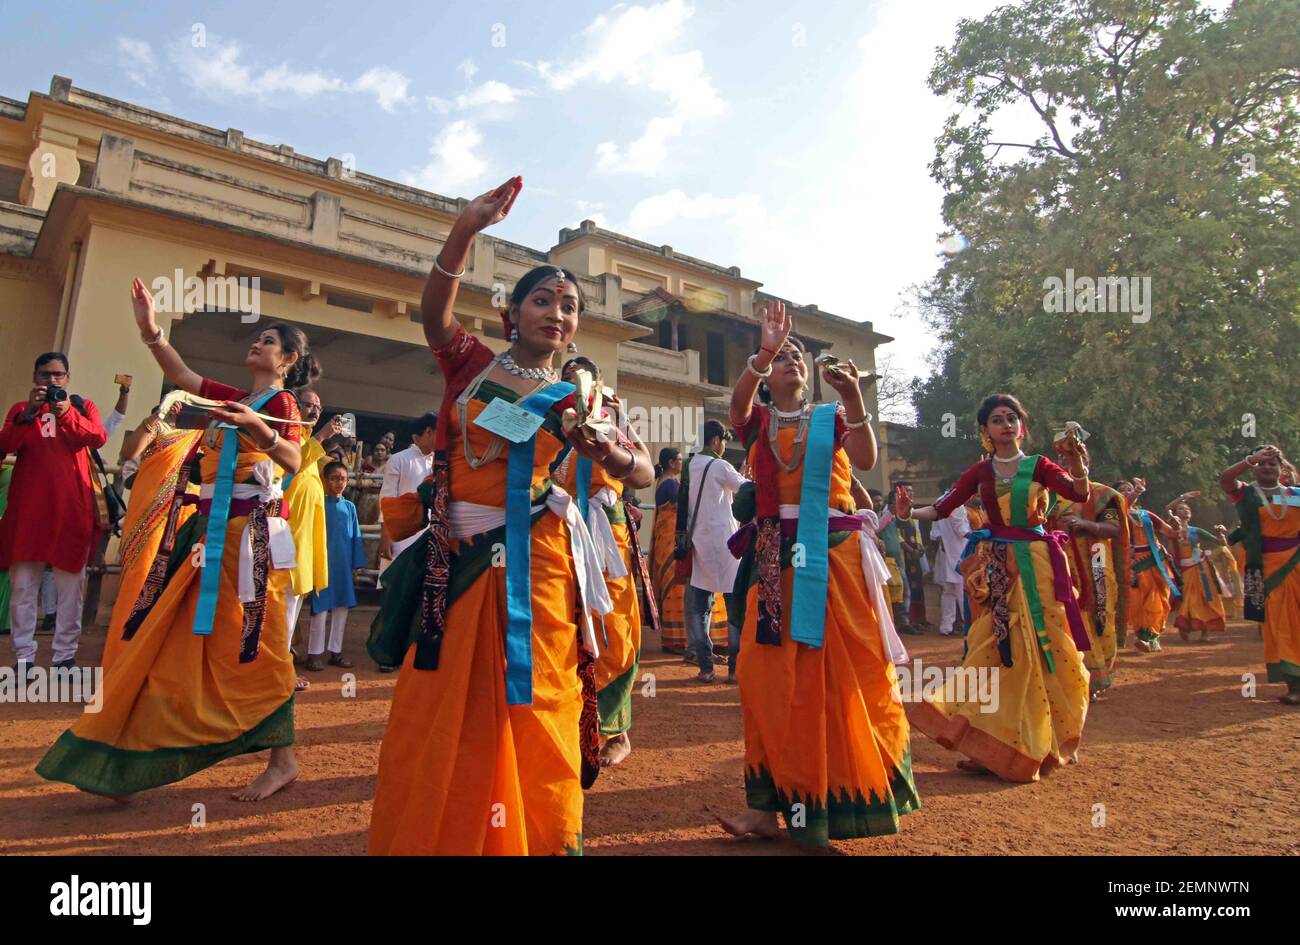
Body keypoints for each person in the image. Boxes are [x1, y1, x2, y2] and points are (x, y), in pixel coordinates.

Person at [367, 176, 653, 855]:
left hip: (544, 569)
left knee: (541, 707)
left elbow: (638, 471)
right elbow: (433, 315)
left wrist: (603, 447)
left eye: (570, 305)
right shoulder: (469, 366)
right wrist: (465, 229)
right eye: (543, 299)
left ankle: (537, 839)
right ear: (513, 312)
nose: (557, 311)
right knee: (444, 715)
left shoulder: (587, 395)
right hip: (459, 569)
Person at [36, 279, 317, 802]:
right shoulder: (242, 396)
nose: (257, 344)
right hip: (203, 534)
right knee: (169, 639)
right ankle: (133, 755)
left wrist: (258, 425)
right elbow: (182, 377)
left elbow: (294, 461)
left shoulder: (280, 403)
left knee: (261, 643)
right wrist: (150, 330)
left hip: (246, 539)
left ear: (288, 360)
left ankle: (283, 760)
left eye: (269, 341)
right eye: (256, 338)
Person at [715, 305, 915, 846]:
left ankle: (831, 801)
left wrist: (852, 399)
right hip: (774, 560)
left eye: (796, 356)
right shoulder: (755, 421)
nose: (790, 363)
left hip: (834, 559)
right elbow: (735, 403)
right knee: (765, 676)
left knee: (842, 676)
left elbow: (869, 459)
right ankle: (766, 806)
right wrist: (762, 351)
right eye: (781, 359)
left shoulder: (830, 418)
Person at [906, 394, 1093, 781]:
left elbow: (1079, 493)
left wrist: (1077, 463)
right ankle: (989, 743)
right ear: (985, 431)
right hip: (996, 567)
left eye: (1012, 418)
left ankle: (1048, 740)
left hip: (1038, 566)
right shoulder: (980, 472)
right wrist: (908, 512)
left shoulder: (1039, 466)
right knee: (994, 649)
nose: (1006, 424)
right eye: (997, 419)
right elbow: (942, 508)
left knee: (1047, 646)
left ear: (1021, 426)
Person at [552, 356, 649, 765]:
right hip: (559, 526)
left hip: (607, 532)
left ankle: (617, 733)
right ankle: (569, 726)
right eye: (569, 371)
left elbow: (640, 471)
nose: (576, 377)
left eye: (584, 371)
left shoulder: (611, 412)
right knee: (566, 624)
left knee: (614, 628)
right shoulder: (550, 410)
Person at [0, 352, 107, 674]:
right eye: (46, 375)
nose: (52, 380)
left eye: (58, 374)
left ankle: (64, 656)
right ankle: (23, 656)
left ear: (68, 377)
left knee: (70, 587)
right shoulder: (21, 410)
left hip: (71, 510)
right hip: (28, 512)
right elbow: (4, 445)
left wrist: (66, 414)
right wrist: (29, 414)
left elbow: (96, 438)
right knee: (22, 587)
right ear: (35, 378)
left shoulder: (82, 406)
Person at [102, 400, 202, 671]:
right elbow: (129, 452)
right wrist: (155, 416)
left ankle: (159, 667)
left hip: (185, 519)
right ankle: (122, 662)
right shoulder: (158, 426)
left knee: (175, 584)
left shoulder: (203, 437)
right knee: (140, 578)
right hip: (149, 518)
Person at [1046, 438, 1129, 699]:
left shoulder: (1105, 494)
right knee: (1065, 619)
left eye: (1072, 458)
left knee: (1098, 618)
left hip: (1096, 566)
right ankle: (1070, 679)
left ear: (1086, 462)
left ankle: (1094, 678)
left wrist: (1087, 526)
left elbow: (1114, 528)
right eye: (1061, 460)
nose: (1066, 463)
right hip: (1059, 566)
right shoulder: (1048, 497)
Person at [1220, 445, 1300, 705]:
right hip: (1265, 567)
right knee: (1282, 624)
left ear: (1282, 468)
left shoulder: (1296, 495)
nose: (1267, 467)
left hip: (1297, 562)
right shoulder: (1246, 494)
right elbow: (1226, 479)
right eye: (1262, 464)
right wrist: (1248, 459)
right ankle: (1295, 685)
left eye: (1273, 463)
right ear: (1254, 468)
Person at [679, 419, 748, 683]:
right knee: (734, 605)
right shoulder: (720, 466)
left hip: (697, 542)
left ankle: (706, 668)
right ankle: (734, 669)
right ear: (716, 440)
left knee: (698, 608)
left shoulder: (689, 465)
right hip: (727, 542)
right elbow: (745, 490)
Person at [305, 461, 366, 671]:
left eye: (343, 479)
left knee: (341, 609)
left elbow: (356, 537)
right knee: (320, 610)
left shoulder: (350, 507)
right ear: (325, 479)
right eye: (335, 478)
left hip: (343, 566)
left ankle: (336, 652)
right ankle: (314, 654)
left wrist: (356, 564)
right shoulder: (318, 504)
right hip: (322, 565)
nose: (339, 483)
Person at [1116, 478, 1184, 653]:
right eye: (1123, 490)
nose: (1127, 492)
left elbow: (1170, 532)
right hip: (1134, 564)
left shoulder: (1146, 514)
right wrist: (1137, 491)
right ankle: (1144, 637)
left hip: (1157, 561)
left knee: (1159, 599)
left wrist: (1177, 527)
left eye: (1129, 489)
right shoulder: (1114, 514)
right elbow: (1123, 505)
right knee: (1139, 602)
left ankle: (1152, 637)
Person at [1168, 500, 1228, 642]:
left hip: (1202, 568)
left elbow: (1221, 543)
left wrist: (1220, 533)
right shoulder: (1173, 532)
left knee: (1207, 598)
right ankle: (1184, 627)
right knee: (1189, 598)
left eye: (1187, 508)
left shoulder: (1196, 530)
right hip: (1186, 569)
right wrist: (1183, 497)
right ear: (1176, 515)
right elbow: (1167, 509)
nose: (1185, 510)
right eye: (1181, 509)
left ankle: (1205, 633)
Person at [930, 476, 971, 636]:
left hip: (945, 552)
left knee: (948, 592)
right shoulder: (957, 504)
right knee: (962, 591)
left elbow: (935, 534)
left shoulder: (938, 502)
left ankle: (946, 627)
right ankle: (969, 626)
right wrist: (978, 536)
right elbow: (961, 530)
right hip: (958, 552)